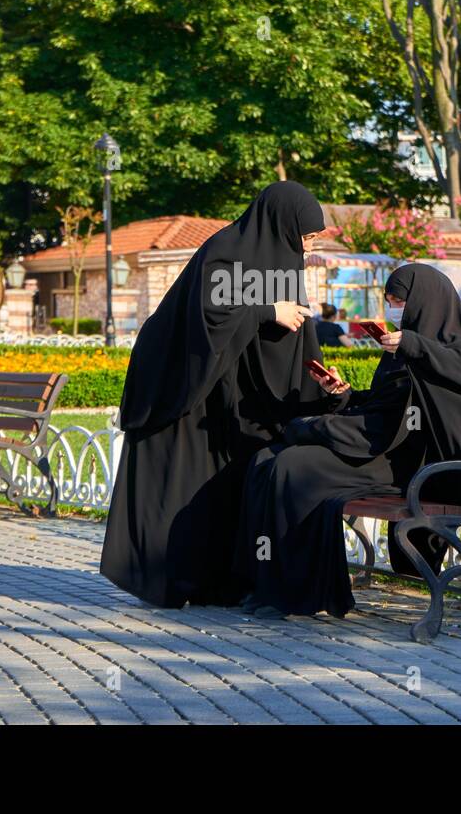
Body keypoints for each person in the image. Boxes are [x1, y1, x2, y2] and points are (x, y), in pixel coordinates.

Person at [101, 182, 337, 608]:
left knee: (221, 486)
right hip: (189, 388)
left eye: (313, 239)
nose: (307, 246)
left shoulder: (281, 259)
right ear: (282, 224)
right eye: (306, 237)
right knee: (183, 483)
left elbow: (291, 338)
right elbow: (210, 315)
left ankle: (219, 582)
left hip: (228, 397)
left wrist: (318, 385)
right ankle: (168, 580)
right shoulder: (227, 249)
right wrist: (268, 311)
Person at [234, 263, 461, 619]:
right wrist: (343, 396)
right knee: (267, 458)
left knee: (292, 466)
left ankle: (299, 593)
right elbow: (381, 405)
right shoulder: (401, 350)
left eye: (399, 300)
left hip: (406, 464)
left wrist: (415, 346)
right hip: (378, 449)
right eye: (388, 299)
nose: (392, 307)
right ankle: (264, 585)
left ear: (425, 300)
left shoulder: (459, 350)